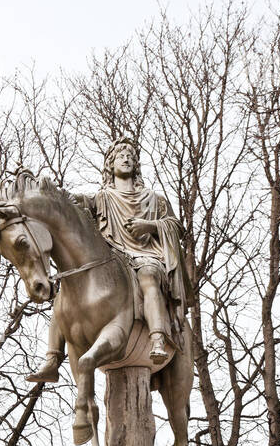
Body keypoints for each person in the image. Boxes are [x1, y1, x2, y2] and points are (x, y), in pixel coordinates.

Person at [28, 133, 189, 381]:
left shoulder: (153, 199)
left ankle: (157, 337)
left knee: (148, 276)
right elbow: (74, 204)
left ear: (136, 165)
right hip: (115, 259)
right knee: (65, 296)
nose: (125, 159)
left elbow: (176, 226)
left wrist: (151, 226)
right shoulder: (102, 198)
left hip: (146, 255)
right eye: (120, 156)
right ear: (110, 165)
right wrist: (49, 193)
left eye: (130, 156)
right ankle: (52, 359)